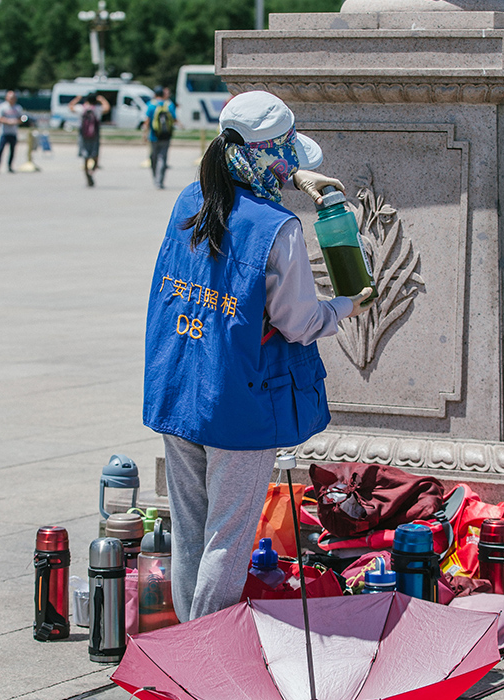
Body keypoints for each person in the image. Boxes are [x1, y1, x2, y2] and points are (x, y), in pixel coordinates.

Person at [142, 90, 374, 622]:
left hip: (179, 386)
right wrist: (346, 305)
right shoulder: (279, 229)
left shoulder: (190, 199)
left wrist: (296, 179)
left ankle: (185, 653)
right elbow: (298, 322)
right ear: (276, 152)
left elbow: (247, 173)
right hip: (238, 401)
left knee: (191, 531)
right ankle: (207, 653)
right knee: (228, 535)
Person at [144, 85, 181, 189]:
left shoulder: (151, 105)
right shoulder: (169, 105)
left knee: (153, 158)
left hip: (153, 136)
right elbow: (174, 119)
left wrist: (144, 135)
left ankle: (155, 177)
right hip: (166, 136)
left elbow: (147, 122)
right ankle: (160, 181)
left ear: (155, 94)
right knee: (162, 158)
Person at [70, 92, 109, 187]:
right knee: (95, 155)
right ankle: (92, 171)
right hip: (95, 135)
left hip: (83, 135)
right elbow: (107, 108)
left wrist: (77, 99)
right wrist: (102, 99)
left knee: (85, 156)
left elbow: (71, 107)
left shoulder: (82, 109)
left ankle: (87, 173)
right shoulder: (97, 109)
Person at [0, 90, 24, 173]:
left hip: (13, 132)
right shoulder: (2, 107)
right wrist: (8, 121)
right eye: (10, 98)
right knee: (1, 150)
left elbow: (21, 118)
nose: (12, 99)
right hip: (4, 132)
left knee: (12, 150)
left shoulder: (18, 108)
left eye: (13, 98)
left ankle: (10, 166)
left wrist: (17, 121)